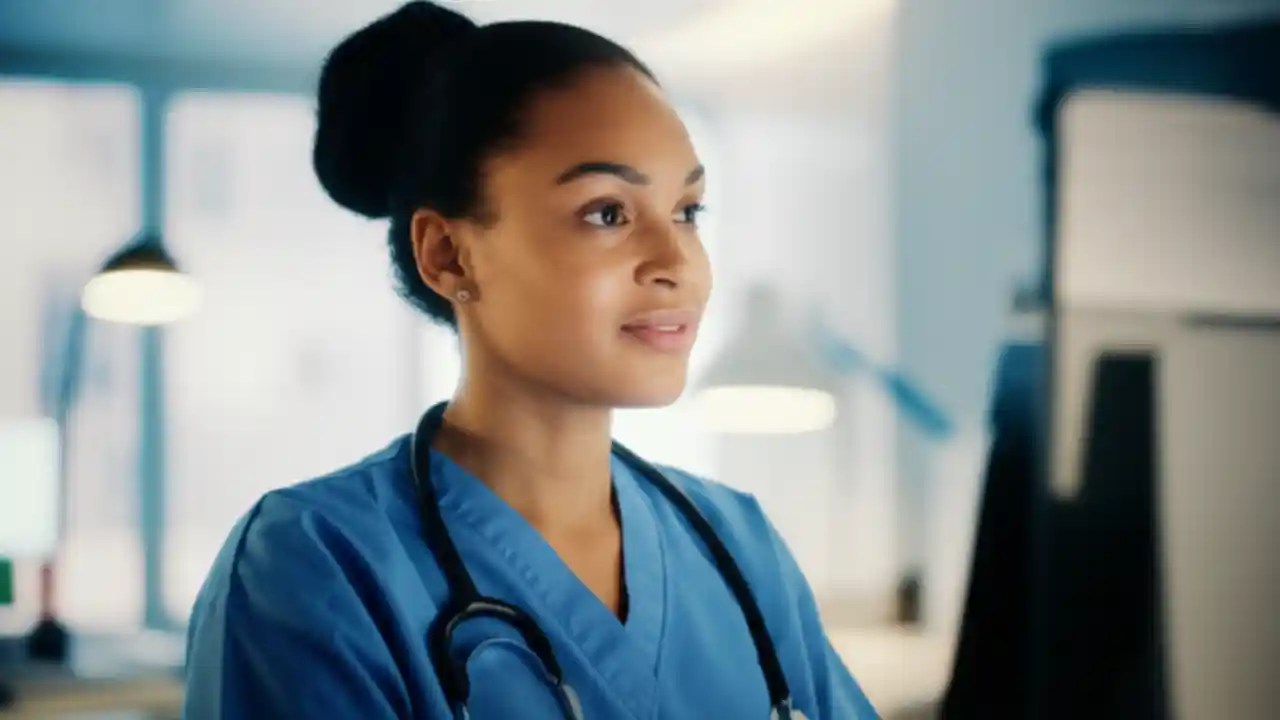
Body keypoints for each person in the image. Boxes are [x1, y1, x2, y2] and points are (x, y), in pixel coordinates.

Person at [182, 3, 878, 718]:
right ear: (448, 254)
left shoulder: (738, 546)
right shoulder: (314, 568)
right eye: (607, 212)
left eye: (687, 211)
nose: (677, 263)